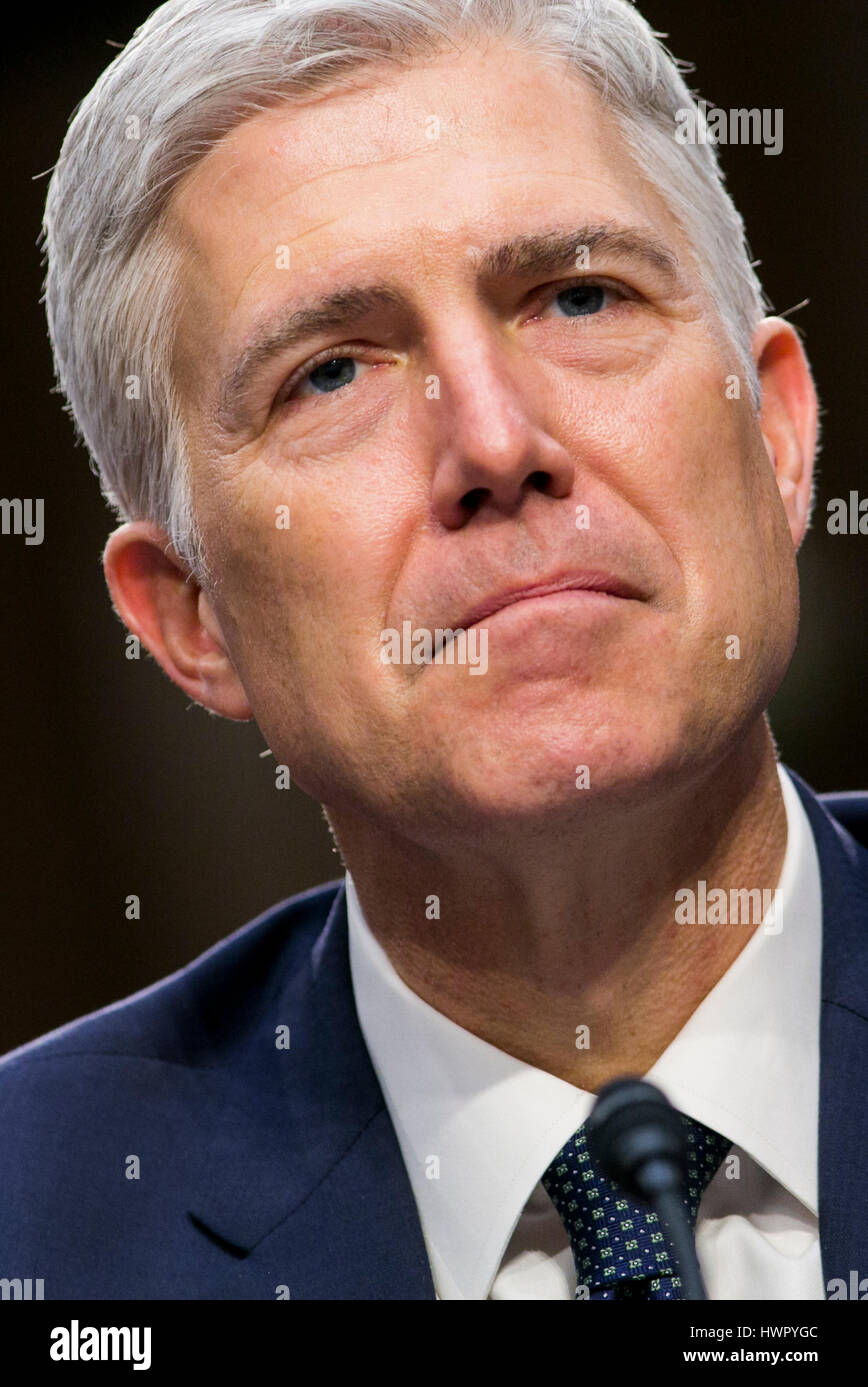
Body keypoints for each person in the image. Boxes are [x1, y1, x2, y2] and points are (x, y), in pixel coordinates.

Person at [1, 0, 865, 1300]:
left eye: (581, 295)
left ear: (778, 438)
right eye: (330, 375)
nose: (498, 444)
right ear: (189, 615)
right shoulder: (38, 1227)